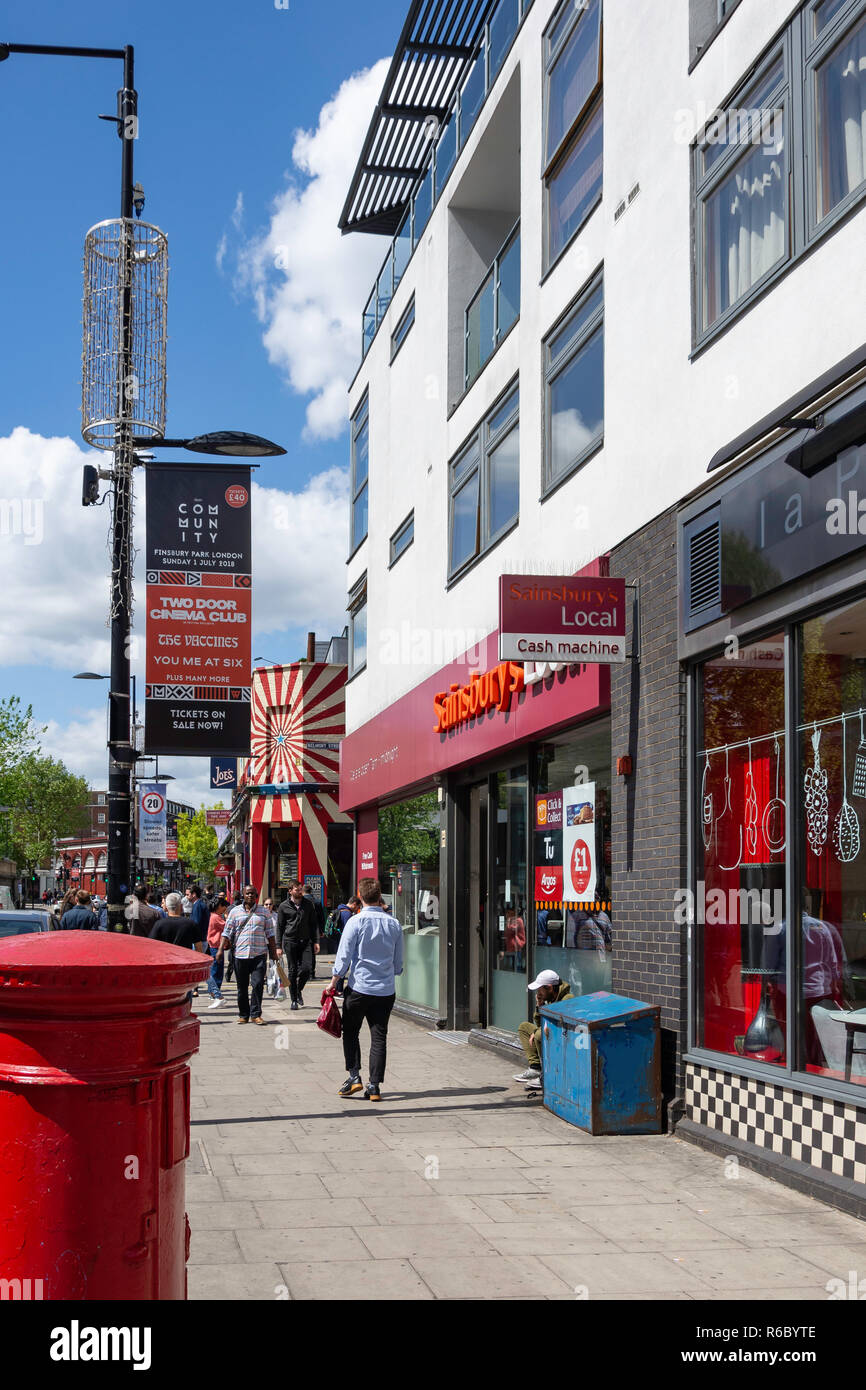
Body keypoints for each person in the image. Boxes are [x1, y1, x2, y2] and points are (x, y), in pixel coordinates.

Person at [329, 878, 404, 1102]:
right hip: (385, 990)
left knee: (350, 1031)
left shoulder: (355, 921)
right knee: (379, 1036)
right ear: (380, 896)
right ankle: (374, 1086)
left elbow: (344, 956)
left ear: (360, 896)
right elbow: (398, 964)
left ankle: (354, 1076)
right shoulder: (394, 924)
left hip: (359, 987)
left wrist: (334, 981)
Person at [217, 885, 277, 1026]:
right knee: (242, 987)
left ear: (256, 895)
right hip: (240, 955)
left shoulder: (264, 912)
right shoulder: (234, 912)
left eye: (252, 893)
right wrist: (220, 950)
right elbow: (227, 932)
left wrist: (274, 952)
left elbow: (270, 934)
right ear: (243, 895)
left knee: (257, 985)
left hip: (259, 955)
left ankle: (256, 1015)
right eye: (247, 893)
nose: (250, 896)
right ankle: (243, 1014)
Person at [514, 969, 573, 1092]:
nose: (538, 992)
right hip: (552, 1033)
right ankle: (536, 1069)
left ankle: (547, 1075)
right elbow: (541, 1023)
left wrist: (537, 1032)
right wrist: (540, 1006)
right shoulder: (551, 998)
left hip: (565, 1039)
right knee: (524, 1028)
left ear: (550, 988)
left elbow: (558, 1026)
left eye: (540, 989)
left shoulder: (567, 999)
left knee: (539, 1035)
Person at [276, 881, 320, 1010]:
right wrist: (278, 946)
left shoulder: (308, 904)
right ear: (290, 891)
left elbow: (313, 924)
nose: (299, 892)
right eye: (297, 889)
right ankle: (294, 1000)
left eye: (301, 889)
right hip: (290, 941)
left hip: (306, 941)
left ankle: (298, 990)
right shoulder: (283, 906)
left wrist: (316, 941)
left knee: (307, 969)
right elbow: (279, 927)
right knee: (292, 970)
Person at [206, 895, 229, 1009]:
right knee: (216, 971)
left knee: (215, 970)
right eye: (224, 906)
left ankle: (213, 993)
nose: (225, 909)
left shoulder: (213, 916)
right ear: (219, 906)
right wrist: (227, 917)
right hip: (216, 946)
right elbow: (228, 927)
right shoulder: (216, 917)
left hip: (213, 946)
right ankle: (215, 994)